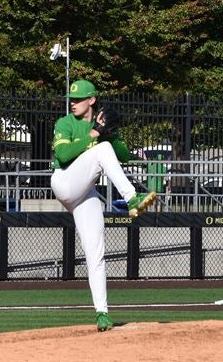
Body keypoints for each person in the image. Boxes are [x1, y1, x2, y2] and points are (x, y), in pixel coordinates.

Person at [51, 79, 156, 332]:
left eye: (77, 99)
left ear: (92, 100)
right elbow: (63, 156)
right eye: (71, 99)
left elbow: (124, 155)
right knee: (102, 149)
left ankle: (102, 313)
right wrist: (95, 135)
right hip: (64, 182)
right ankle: (132, 198)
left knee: (95, 251)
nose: (72, 103)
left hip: (85, 192)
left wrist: (110, 132)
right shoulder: (65, 123)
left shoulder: (100, 123)